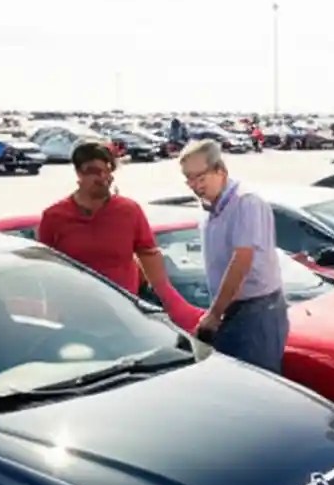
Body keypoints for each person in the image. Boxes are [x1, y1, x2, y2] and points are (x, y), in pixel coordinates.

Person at [180, 139, 288, 373]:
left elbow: (242, 261)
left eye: (200, 177)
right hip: (231, 311)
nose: (194, 185)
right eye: (188, 178)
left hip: (257, 312)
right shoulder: (211, 210)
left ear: (221, 171)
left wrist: (214, 314)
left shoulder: (245, 203)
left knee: (259, 389)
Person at [37, 141, 172, 296]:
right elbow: (46, 266)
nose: (103, 178)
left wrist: (165, 295)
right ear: (79, 173)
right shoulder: (54, 216)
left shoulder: (129, 210)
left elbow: (149, 254)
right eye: (94, 171)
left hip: (124, 307)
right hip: (74, 305)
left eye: (108, 171)